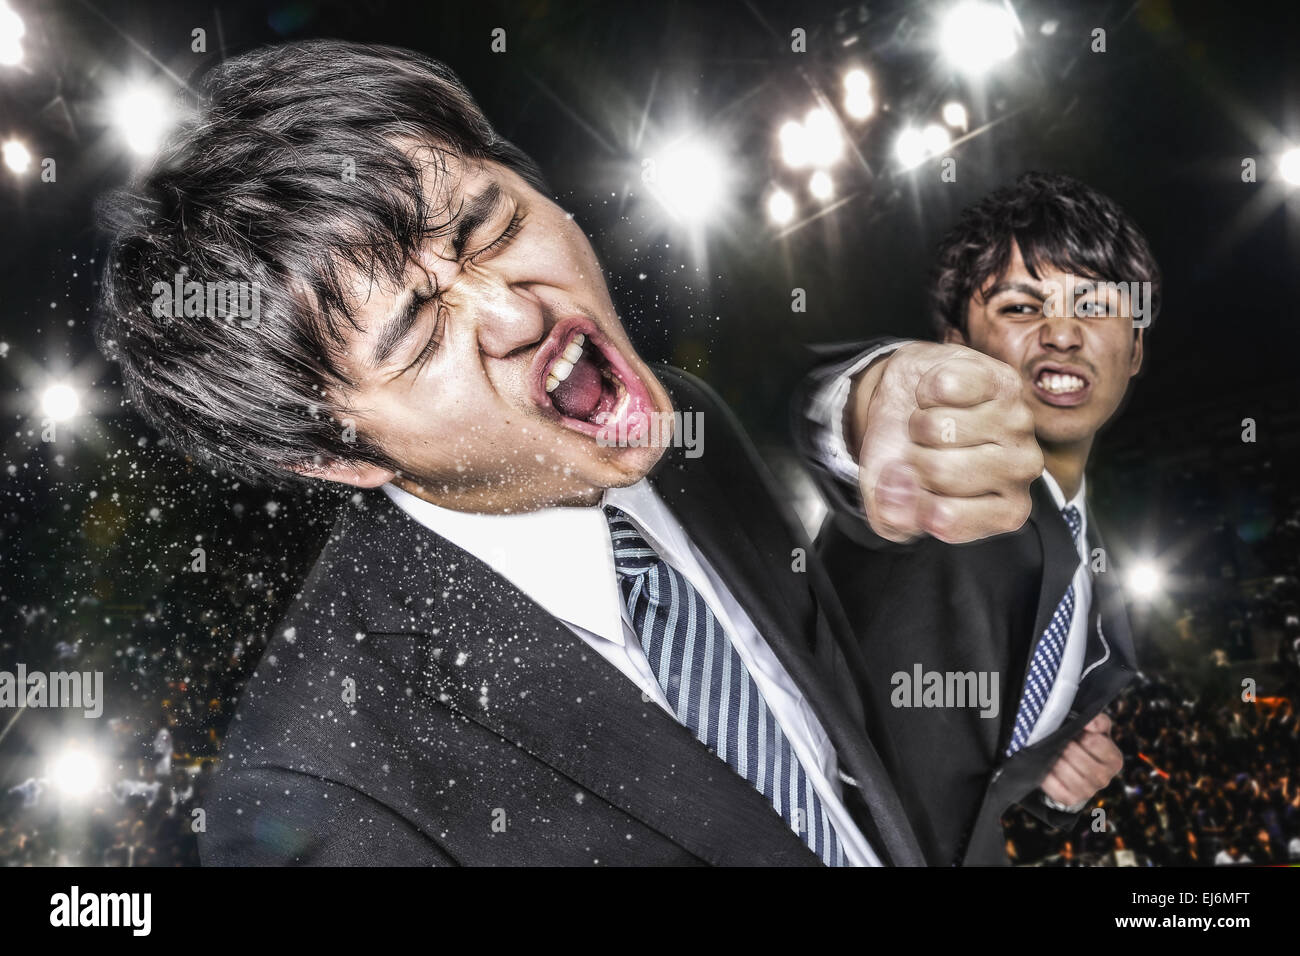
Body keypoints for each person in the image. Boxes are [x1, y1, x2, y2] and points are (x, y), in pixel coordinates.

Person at [94, 40, 1041, 866]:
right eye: (419, 331)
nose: (513, 310)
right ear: (338, 455)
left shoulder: (679, 434)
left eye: (489, 227)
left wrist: (865, 412)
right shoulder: (325, 788)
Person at [794, 172, 1158, 865]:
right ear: (956, 337)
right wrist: (865, 403)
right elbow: (846, 428)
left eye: (1096, 305)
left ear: (1134, 349)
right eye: (1021, 307)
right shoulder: (934, 492)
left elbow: (996, 784)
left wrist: (1058, 797)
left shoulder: (1103, 592)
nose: (1061, 332)